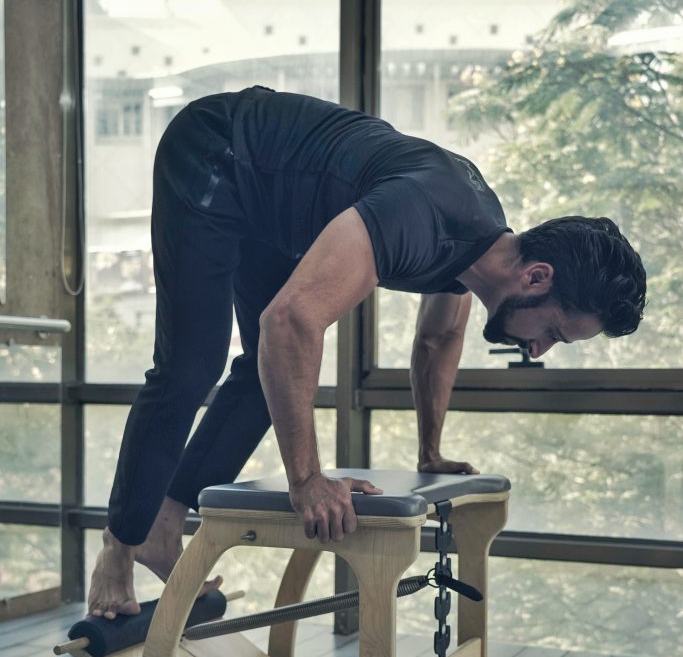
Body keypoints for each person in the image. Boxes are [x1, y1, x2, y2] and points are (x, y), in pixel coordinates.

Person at [87, 85, 646, 619]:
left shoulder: (476, 249)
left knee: (265, 373)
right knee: (191, 365)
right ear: (536, 277)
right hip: (216, 150)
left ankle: (162, 527)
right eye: (555, 332)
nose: (540, 349)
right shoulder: (423, 215)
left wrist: (430, 451)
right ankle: (118, 548)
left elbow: (438, 339)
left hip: (269, 204)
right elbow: (292, 320)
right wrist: (307, 480)